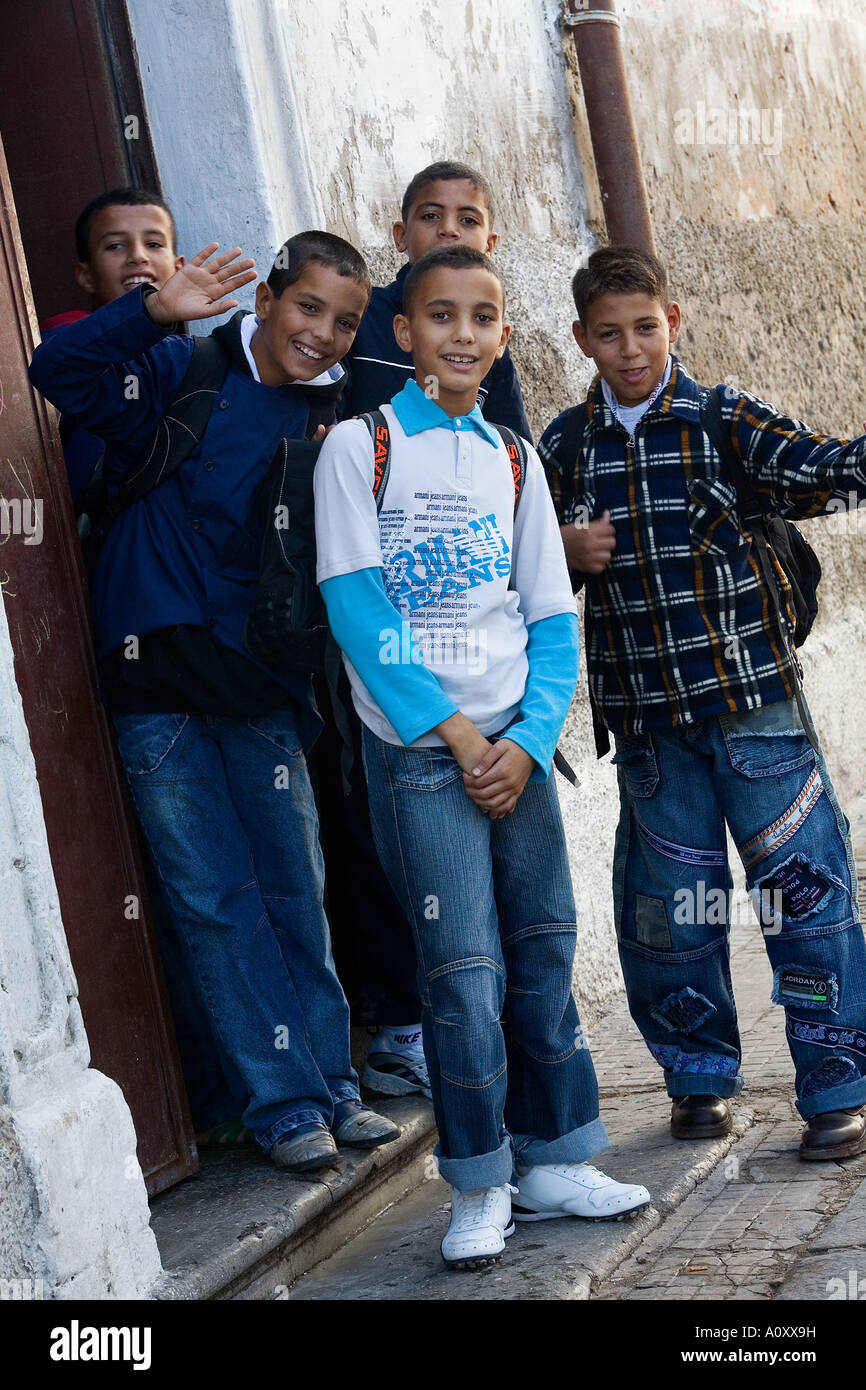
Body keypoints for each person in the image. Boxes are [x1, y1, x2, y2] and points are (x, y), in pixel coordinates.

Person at [29, 231, 399, 1173]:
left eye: (344, 321)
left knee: (293, 889)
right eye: (307, 307)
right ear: (270, 297)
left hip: (266, 688)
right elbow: (54, 367)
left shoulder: (348, 418)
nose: (320, 334)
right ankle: (283, 1109)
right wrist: (153, 310)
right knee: (213, 900)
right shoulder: (180, 361)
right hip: (157, 680)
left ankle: (335, 1085)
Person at [314, 244, 650, 1268]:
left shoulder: (512, 458)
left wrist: (527, 738)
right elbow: (357, 608)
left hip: (517, 749)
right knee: (461, 974)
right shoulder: (358, 448)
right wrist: (461, 739)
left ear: (502, 336)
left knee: (542, 952)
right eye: (440, 316)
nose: (463, 334)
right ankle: (480, 1176)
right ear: (403, 333)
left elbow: (550, 615)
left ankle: (555, 1156)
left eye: (483, 316)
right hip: (423, 758)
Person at [538, 243, 866, 1161]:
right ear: (582, 339)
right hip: (646, 728)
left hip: (756, 711)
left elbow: (827, 469)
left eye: (646, 327)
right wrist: (562, 550)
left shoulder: (724, 421)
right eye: (610, 334)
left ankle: (836, 1086)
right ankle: (697, 1081)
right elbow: (518, 557)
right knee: (670, 914)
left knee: (804, 900)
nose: (631, 348)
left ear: (671, 321)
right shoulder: (564, 447)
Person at [317, 160, 532, 1099]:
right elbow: (357, 585)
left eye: (471, 217)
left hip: (499, 698)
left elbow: (516, 511)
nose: (462, 336)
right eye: (430, 216)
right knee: (405, 877)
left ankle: (552, 1130)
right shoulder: (360, 360)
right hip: (396, 682)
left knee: (533, 930)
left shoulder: (494, 388)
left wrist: (525, 729)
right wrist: (447, 724)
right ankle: (404, 1026)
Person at [39, 187, 184, 504]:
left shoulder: (196, 360)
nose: (138, 256)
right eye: (116, 245)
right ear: (86, 275)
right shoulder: (63, 341)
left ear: (179, 266)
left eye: (154, 244)